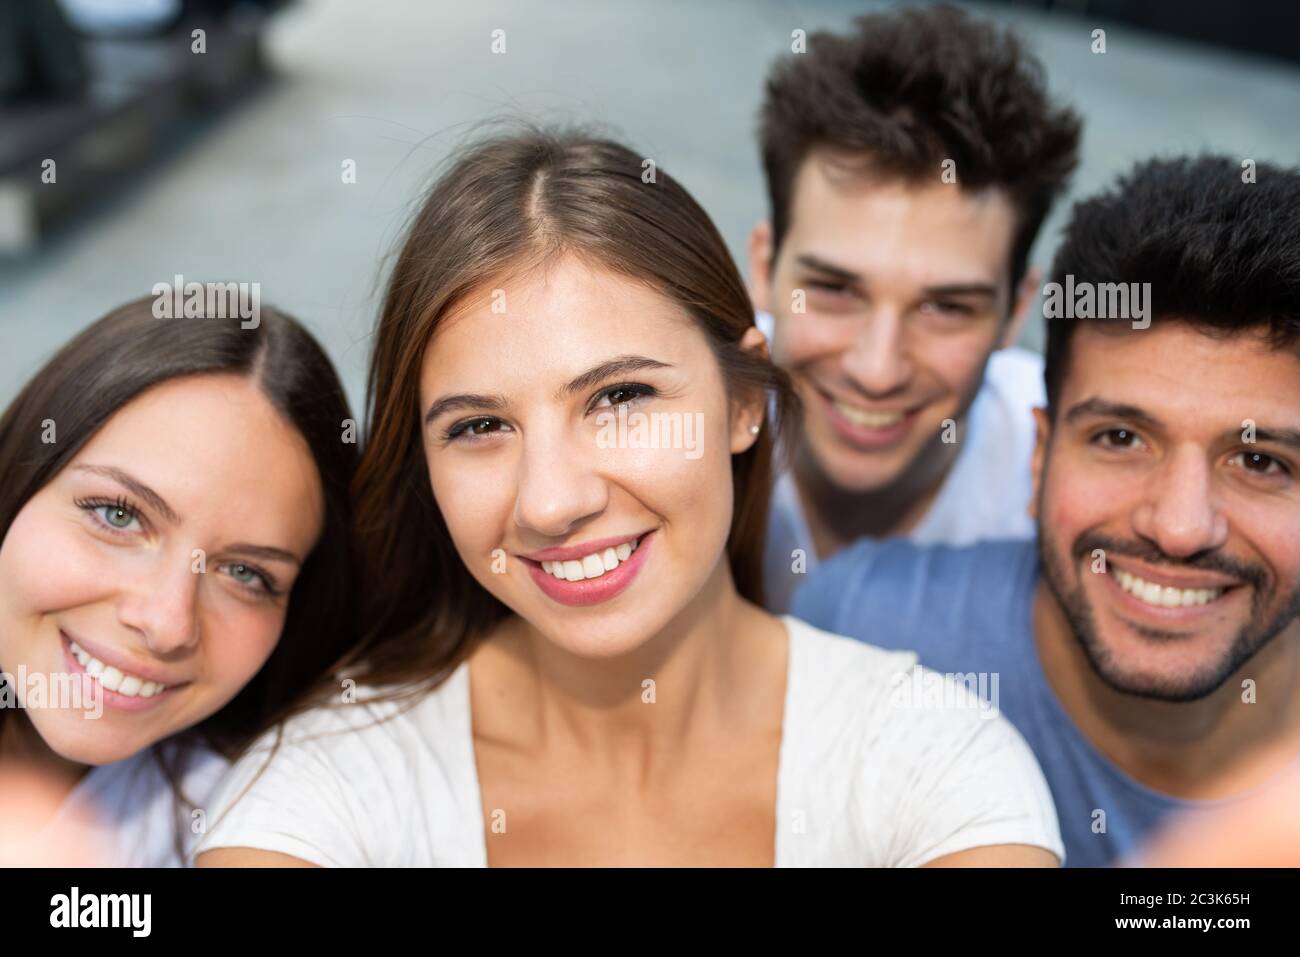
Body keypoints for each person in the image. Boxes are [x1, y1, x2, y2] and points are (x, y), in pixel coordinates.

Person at [195, 128, 1062, 868]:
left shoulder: (941, 765)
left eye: (619, 399)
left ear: (744, 401)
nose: (550, 500)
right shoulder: (316, 792)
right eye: (478, 427)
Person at [794, 155, 1300, 866]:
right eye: (1120, 438)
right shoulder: (860, 631)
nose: (1180, 527)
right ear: (1039, 456)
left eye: (1260, 461)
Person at [0, 294, 358, 865]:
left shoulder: (254, 819)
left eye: (245, 573)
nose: (167, 623)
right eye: (118, 515)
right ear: (17, 479)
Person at [747, 4, 1082, 610]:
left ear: (1015, 312)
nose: (877, 371)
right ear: (765, 268)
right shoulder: (668, 439)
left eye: (946, 308)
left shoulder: (1073, 493)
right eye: (835, 290)